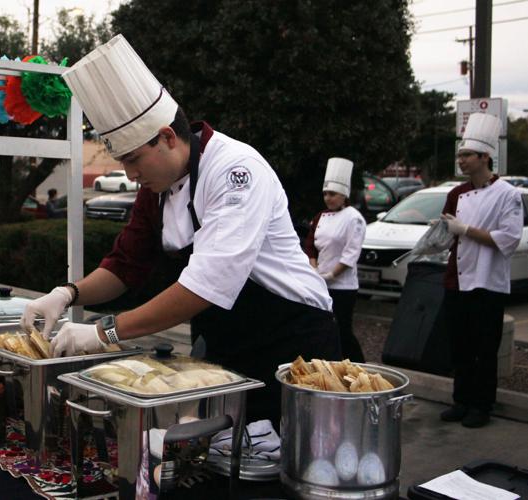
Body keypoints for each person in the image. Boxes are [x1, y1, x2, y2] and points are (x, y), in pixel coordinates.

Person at [20, 35, 340, 425]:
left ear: (168, 137)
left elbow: (207, 284)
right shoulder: (156, 189)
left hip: (292, 345)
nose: (130, 175)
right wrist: (67, 293)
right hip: (227, 347)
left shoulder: (236, 171)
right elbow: (125, 266)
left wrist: (105, 332)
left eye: (133, 159)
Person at [438, 113, 522, 429]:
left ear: (485, 157)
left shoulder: (508, 194)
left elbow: (509, 239)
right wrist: (438, 236)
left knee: (484, 349)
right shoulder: (456, 194)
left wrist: (466, 230)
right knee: (459, 346)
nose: (461, 160)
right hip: (457, 279)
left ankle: (481, 405)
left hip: (488, 282)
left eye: (467, 155)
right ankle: (461, 400)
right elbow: (447, 235)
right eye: (460, 155)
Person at [304, 158, 367, 362]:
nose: (328, 198)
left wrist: (331, 275)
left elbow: (350, 254)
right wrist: (314, 270)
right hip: (321, 282)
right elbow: (311, 246)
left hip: (343, 286)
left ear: (344, 195)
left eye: (332, 194)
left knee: (343, 330)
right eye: (325, 194)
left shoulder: (354, 218)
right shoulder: (320, 217)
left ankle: (358, 365)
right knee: (323, 327)